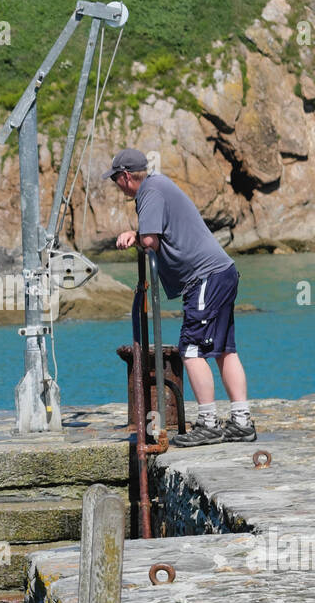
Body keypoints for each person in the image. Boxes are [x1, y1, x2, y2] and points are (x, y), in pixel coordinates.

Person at [107, 149, 255, 446]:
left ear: (125, 177)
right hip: (221, 272)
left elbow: (150, 240)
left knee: (190, 349)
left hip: (205, 278)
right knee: (225, 349)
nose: (115, 185)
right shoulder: (158, 185)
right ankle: (241, 421)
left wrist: (132, 237)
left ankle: (209, 423)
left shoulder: (150, 191)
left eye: (115, 179)